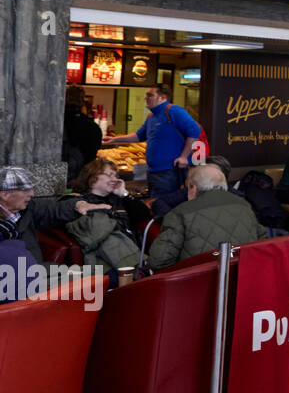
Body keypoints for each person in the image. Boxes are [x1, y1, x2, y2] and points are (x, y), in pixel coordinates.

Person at [103, 84, 201, 212]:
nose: (146, 98)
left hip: (169, 171)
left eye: (150, 95)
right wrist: (114, 139)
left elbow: (195, 131)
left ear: (162, 97)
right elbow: (139, 136)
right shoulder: (151, 116)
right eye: (146, 95)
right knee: (153, 205)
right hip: (153, 171)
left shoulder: (173, 111)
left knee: (162, 206)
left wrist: (183, 156)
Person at [148, 164, 265, 269]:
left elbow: (158, 261)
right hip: (241, 278)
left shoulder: (180, 213)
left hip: (196, 284)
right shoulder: (243, 205)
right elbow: (262, 241)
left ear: (193, 187)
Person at [0, 166, 111, 267]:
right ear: (5, 195)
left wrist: (78, 205)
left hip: (36, 272)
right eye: (26, 190)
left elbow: (55, 208)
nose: (32, 194)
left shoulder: (28, 208)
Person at [61, 158, 152, 278]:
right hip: (102, 258)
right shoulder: (80, 201)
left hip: (131, 251)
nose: (115, 179)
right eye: (110, 175)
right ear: (93, 176)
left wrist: (124, 194)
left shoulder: (118, 199)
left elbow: (144, 215)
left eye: (116, 175)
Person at [62, 87, 102, 183]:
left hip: (60, 175)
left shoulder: (56, 123)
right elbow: (93, 153)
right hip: (83, 178)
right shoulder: (92, 126)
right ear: (83, 100)